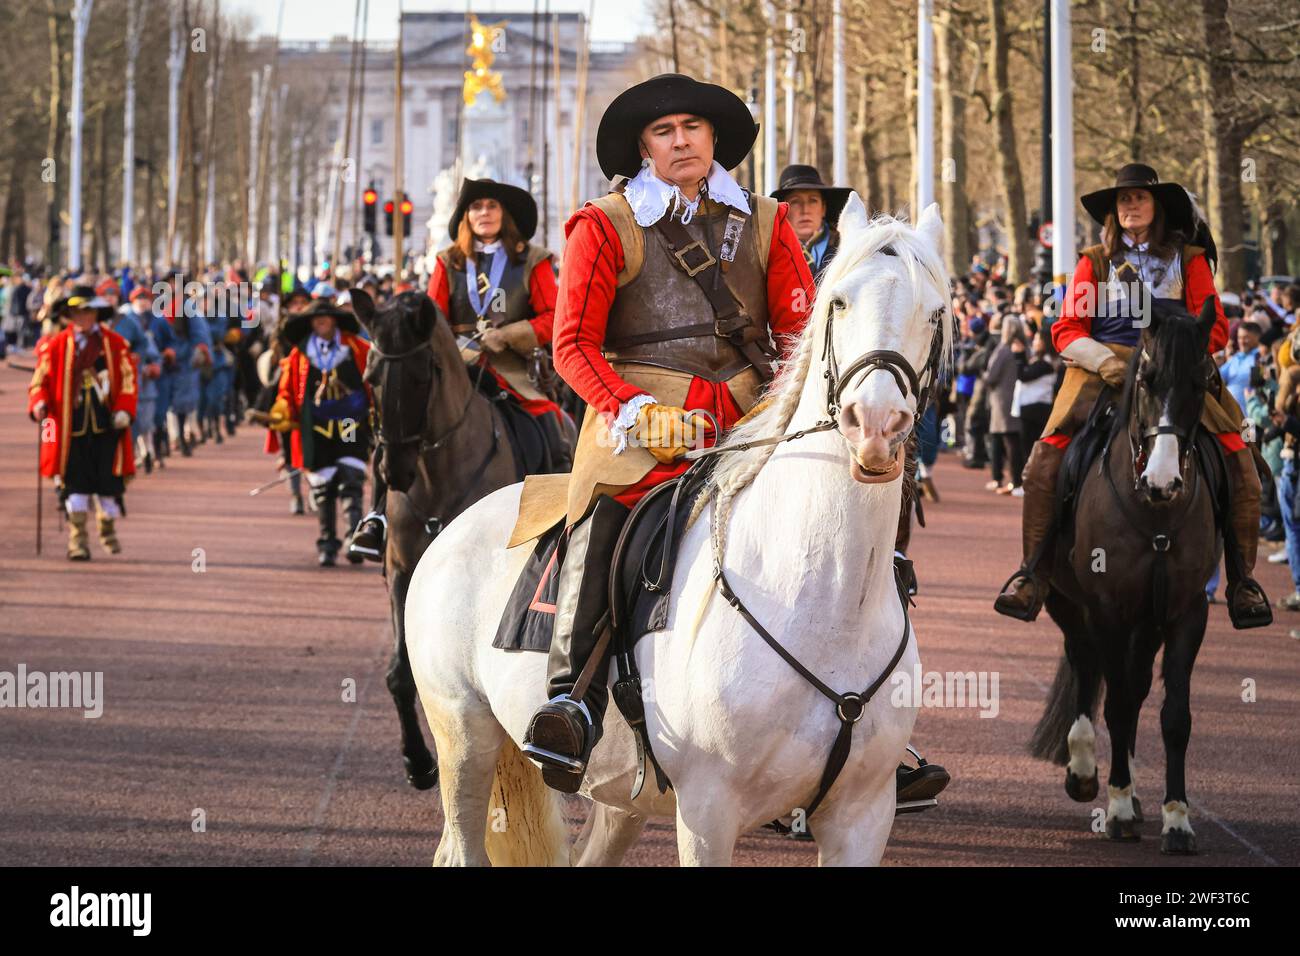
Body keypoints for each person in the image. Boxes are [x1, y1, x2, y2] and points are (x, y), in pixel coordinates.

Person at [519, 73, 950, 808]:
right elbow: (572, 347)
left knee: (852, 506)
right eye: (664, 131)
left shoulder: (766, 220)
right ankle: (573, 698)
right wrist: (634, 411)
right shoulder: (603, 223)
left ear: (714, 138)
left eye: (693, 126)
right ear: (644, 148)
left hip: (754, 415)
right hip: (638, 423)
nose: (681, 139)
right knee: (607, 514)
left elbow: (800, 332)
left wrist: (792, 404)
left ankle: (874, 720)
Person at [994, 163, 1271, 629]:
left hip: (1175, 372)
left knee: (1242, 463)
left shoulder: (1190, 259)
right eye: (1123, 200)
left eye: (1139, 198)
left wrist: (1176, 358)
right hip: (1103, 370)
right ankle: (1033, 574)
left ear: (1156, 206)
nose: (1130, 207)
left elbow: (1217, 327)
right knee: (1042, 462)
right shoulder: (1093, 262)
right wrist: (1103, 360)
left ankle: (1243, 583)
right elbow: (1065, 329)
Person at [348, 178, 570, 561]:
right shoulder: (448, 261)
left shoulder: (531, 260)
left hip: (510, 366)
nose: (484, 213)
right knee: (399, 421)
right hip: (454, 364)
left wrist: (512, 334)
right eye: (476, 207)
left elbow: (554, 317)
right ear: (466, 217)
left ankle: (557, 516)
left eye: (492, 206)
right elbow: (431, 316)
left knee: (551, 424)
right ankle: (377, 516)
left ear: (505, 214)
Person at [27, 286, 138, 559]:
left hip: (106, 426)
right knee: (74, 484)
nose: (82, 317)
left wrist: (124, 409)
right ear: (69, 314)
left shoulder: (115, 344)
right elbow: (39, 382)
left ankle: (106, 527)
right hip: (68, 428)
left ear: (97, 313)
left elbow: (127, 382)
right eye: (77, 312)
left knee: (108, 485)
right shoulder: (55, 346)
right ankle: (77, 540)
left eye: (87, 311)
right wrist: (39, 402)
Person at [267, 297, 373, 566]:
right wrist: (282, 409)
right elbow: (287, 391)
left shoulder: (358, 348)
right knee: (323, 488)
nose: (320, 321)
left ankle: (353, 539)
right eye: (315, 318)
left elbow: (374, 382)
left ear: (334, 320)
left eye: (325, 316)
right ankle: (327, 543)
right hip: (316, 429)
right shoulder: (299, 355)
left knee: (351, 480)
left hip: (350, 423)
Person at [770, 164, 851, 282]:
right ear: (782, 210)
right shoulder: (769, 252)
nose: (805, 210)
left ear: (823, 208)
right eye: (795, 202)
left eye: (813, 201)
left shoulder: (846, 247)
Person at [113, 287, 163, 473]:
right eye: (138, 298)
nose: (142, 302)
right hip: (120, 382)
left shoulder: (156, 321)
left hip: (144, 383)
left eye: (145, 298)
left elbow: (153, 351)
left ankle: (147, 452)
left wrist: (155, 365)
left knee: (146, 422)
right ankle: (131, 458)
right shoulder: (124, 321)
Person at [984, 316, 1027, 495]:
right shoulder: (1024, 347)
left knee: (1007, 442)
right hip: (1017, 398)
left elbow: (991, 375)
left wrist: (985, 377)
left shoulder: (1003, 349)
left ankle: (1012, 481)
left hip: (1002, 399)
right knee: (1009, 441)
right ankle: (1008, 479)